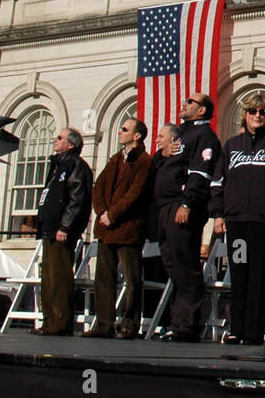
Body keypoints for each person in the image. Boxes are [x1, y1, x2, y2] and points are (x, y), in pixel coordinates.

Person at [209, 93, 265, 345]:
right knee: (239, 274)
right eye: (253, 112)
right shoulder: (231, 145)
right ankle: (237, 329)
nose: (257, 116)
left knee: (260, 275)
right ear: (245, 115)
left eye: (262, 112)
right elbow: (217, 182)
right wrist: (218, 214)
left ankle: (255, 331)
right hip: (237, 221)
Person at [153, 96, 221, 342]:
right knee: (172, 263)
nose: (183, 103)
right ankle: (175, 322)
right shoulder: (181, 135)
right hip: (164, 207)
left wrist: (187, 203)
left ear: (202, 110)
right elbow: (159, 165)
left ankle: (187, 326)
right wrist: (162, 152)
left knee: (185, 264)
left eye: (190, 101)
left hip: (182, 207)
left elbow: (200, 173)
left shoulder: (205, 137)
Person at [85, 117, 153, 339]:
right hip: (107, 229)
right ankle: (104, 323)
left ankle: (130, 325)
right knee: (103, 278)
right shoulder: (116, 159)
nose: (120, 132)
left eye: (124, 129)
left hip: (128, 228)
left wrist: (112, 215)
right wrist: (102, 213)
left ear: (137, 136)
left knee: (132, 279)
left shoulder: (144, 160)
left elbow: (136, 193)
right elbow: (99, 186)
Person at [31, 127, 93, 335]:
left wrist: (65, 226)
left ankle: (60, 322)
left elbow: (77, 198)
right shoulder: (58, 165)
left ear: (71, 144)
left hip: (61, 229)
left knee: (59, 276)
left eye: (60, 138)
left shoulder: (76, 165)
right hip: (50, 227)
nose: (55, 140)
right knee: (48, 275)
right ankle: (49, 321)